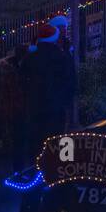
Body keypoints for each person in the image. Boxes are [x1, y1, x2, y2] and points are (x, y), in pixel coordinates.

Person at [21, 16, 77, 161]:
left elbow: (22, 76)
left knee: (39, 136)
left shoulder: (31, 57)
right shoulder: (62, 56)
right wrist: (68, 96)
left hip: (37, 104)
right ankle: (61, 165)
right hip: (57, 103)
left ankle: (38, 165)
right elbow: (69, 77)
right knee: (59, 135)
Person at [0, 43, 29, 177]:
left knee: (19, 141)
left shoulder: (10, 71)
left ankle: (19, 169)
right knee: (19, 141)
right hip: (18, 111)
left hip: (15, 111)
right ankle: (20, 169)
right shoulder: (15, 73)